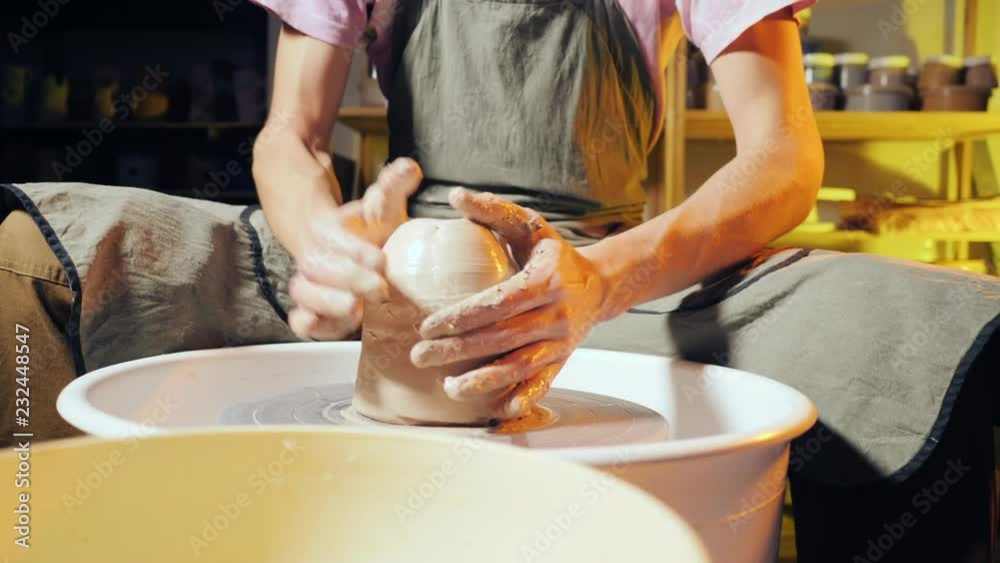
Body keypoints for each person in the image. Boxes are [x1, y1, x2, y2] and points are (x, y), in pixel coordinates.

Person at [0, 1, 997, 561]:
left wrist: (597, 281)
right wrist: (324, 247)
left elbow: (781, 158)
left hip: (602, 271)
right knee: (34, 250)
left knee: (933, 324)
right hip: (383, 252)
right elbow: (289, 138)